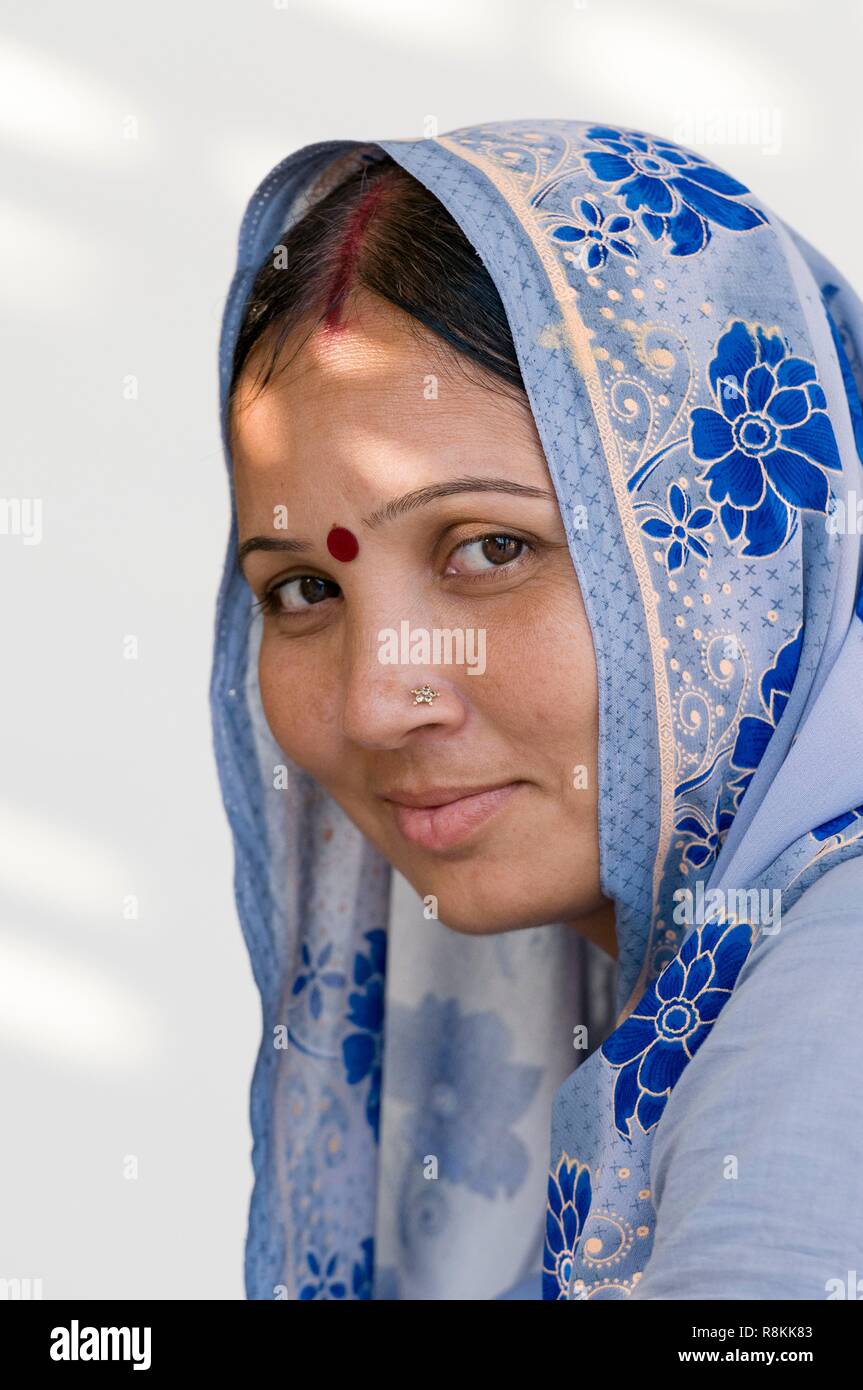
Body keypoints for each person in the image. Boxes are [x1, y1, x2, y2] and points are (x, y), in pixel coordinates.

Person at [212, 119, 863, 1300]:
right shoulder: (700, 968)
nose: (373, 702)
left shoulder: (829, 1017)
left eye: (488, 547)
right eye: (303, 587)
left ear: (730, 543)